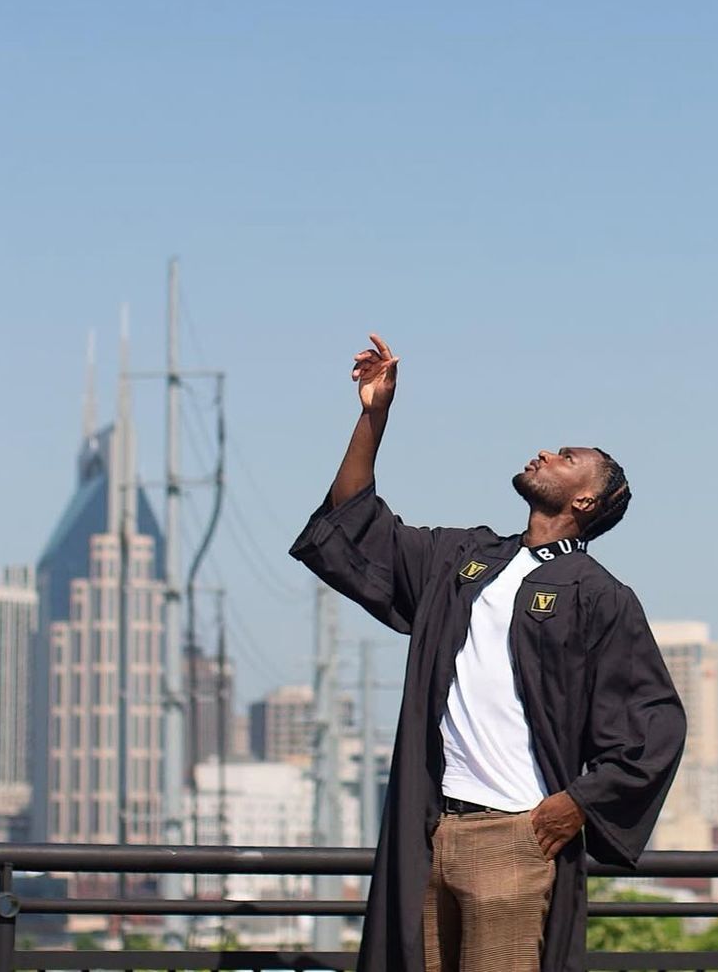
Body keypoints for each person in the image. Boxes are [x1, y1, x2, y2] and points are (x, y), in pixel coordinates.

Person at [289, 334, 687, 972]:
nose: (544, 454)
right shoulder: (464, 559)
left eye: (565, 457)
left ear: (585, 500)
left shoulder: (599, 597)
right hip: (431, 832)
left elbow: (655, 725)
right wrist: (374, 414)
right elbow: (355, 517)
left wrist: (574, 806)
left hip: (516, 839)